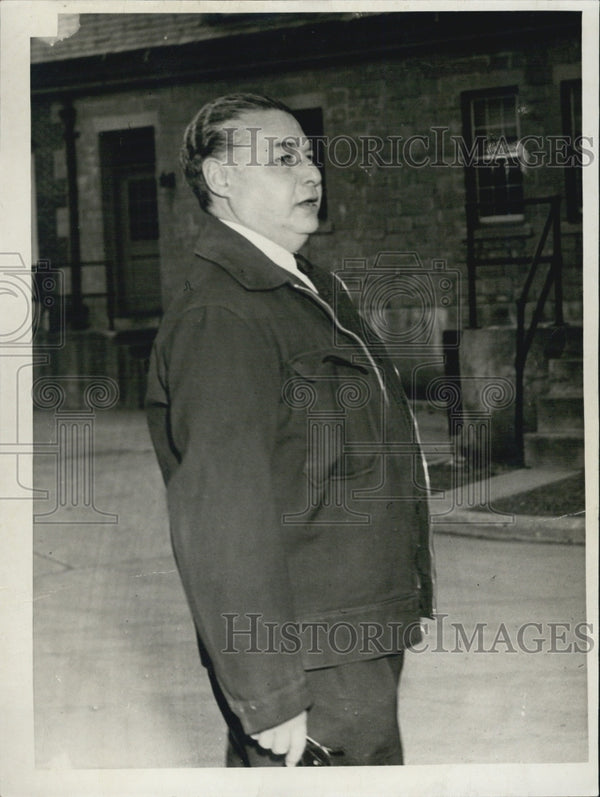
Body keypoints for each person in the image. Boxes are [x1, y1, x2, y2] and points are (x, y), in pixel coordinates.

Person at [145, 93, 434, 767]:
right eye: (283, 158)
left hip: (348, 632)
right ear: (220, 179)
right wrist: (269, 691)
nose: (311, 173)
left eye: (308, 153)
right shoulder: (224, 314)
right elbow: (223, 514)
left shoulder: (304, 289)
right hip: (309, 650)